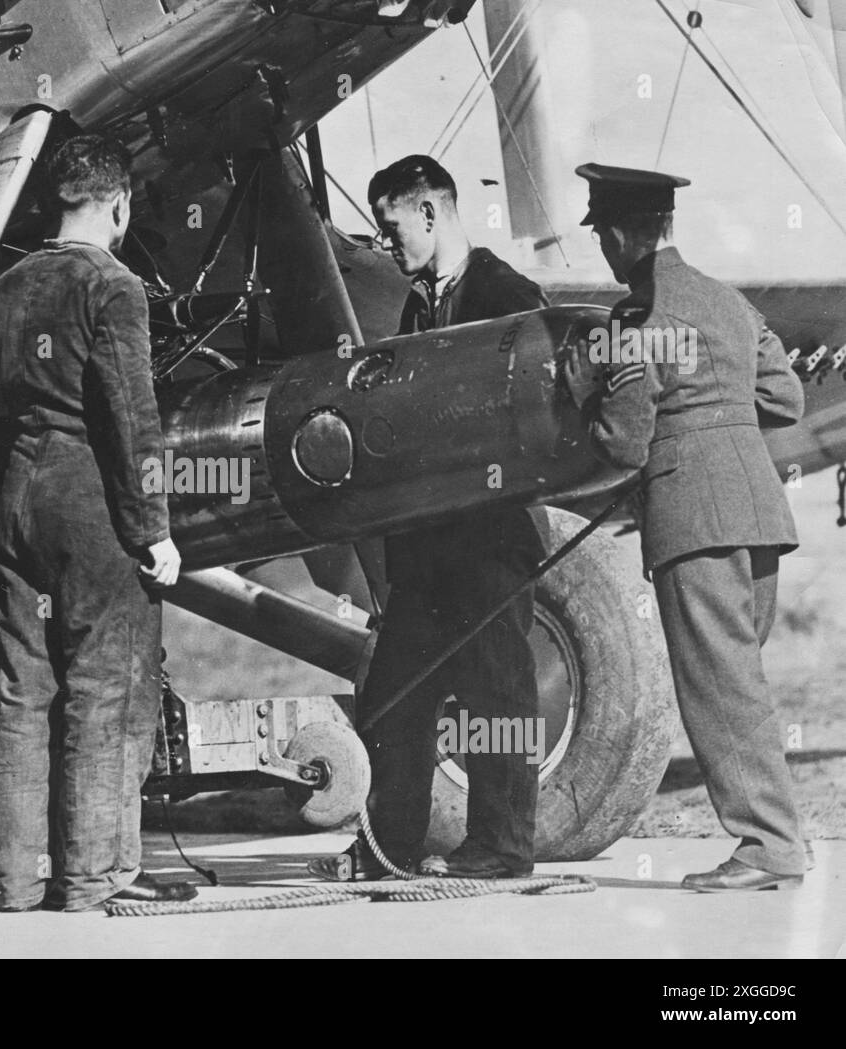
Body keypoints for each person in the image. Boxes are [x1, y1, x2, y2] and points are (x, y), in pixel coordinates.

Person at [565, 161, 807, 891]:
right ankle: (782, 837)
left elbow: (623, 440)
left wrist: (585, 389)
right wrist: (719, 418)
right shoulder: (728, 302)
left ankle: (768, 845)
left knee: (718, 684)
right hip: (760, 512)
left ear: (614, 236)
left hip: (692, 516)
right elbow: (788, 399)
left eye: (601, 237)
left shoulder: (641, 318)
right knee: (740, 678)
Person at [312, 155, 548, 882]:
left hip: (488, 543)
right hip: (428, 550)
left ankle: (502, 847)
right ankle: (388, 847)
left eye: (391, 230)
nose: (386, 247)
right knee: (392, 697)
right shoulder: (419, 304)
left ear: (430, 213)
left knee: (497, 692)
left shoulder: (510, 295)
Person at [0, 134, 195, 911]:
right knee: (102, 688)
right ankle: (90, 880)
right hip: (85, 494)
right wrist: (156, 528)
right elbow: (130, 416)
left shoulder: (6, 284)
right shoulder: (115, 286)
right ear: (119, 204)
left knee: (22, 690)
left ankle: (15, 882)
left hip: (13, 493)